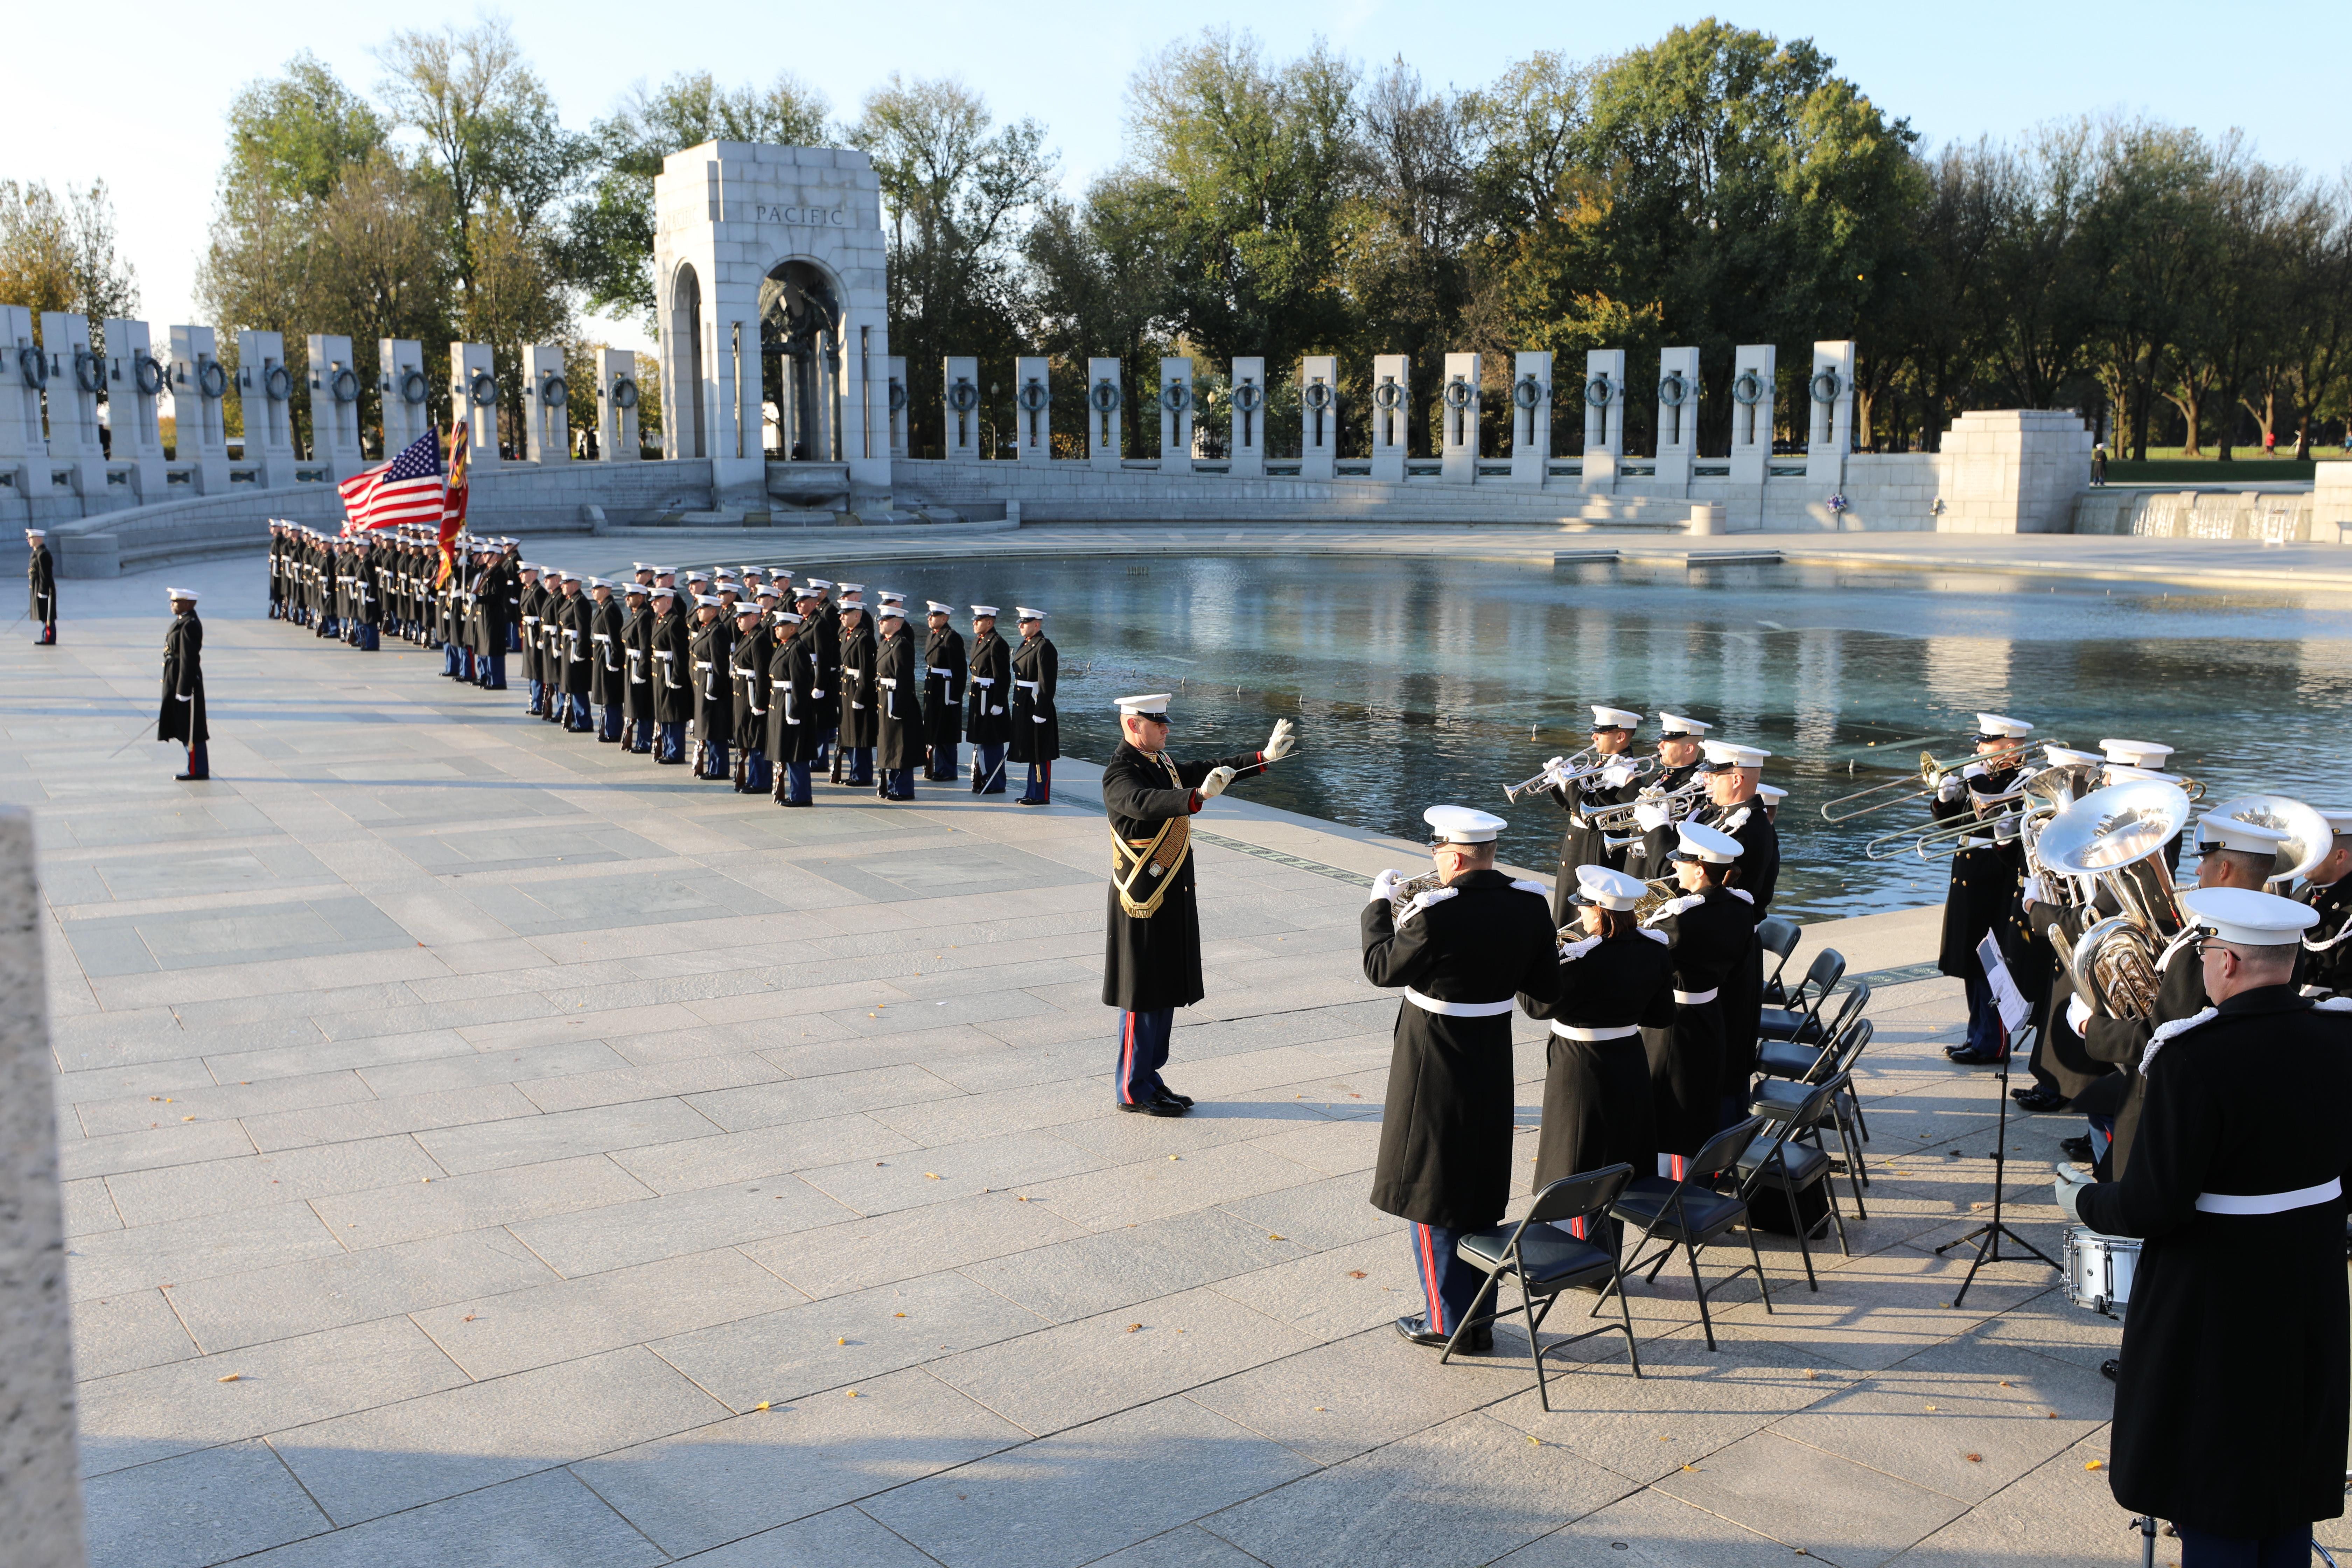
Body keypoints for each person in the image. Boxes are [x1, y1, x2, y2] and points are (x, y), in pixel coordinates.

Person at [2058, 886, 2352, 1568]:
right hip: (2308, 1283)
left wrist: (2087, 1200)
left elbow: (2153, 1204)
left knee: (2214, 1465)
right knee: (2287, 1458)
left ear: (2223, 962)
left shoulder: (2192, 1054)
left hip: (2214, 1292)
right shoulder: (2341, 1033)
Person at [1364, 804, 1560, 1353]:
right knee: (1477, 1181)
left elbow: (1381, 968)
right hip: (1492, 1055)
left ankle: (1448, 1320)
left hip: (1433, 1059)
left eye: (1437, 854)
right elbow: (1544, 995)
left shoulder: (1435, 911)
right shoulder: (1530, 904)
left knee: (1427, 1186)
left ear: (1452, 856)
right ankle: (1479, 1315)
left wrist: (1379, 906)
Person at [1101, 694, 1295, 1116]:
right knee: (1142, 995)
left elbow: (1208, 769)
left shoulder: (1160, 762)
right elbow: (1143, 803)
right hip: (1142, 901)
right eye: (1158, 724)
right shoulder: (1120, 771)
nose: (1167, 729)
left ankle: (1150, 1077)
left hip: (1169, 894)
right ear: (1134, 726)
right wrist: (1195, 797)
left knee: (1164, 988)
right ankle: (1132, 1089)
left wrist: (1262, 757)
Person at [1519, 865, 1673, 1222]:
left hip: (1581, 1066)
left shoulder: (1581, 959)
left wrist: (1534, 962)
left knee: (1575, 1159)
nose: (1579, 913)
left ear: (1600, 911)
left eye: (1584, 906)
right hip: (1630, 1060)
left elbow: (1535, 1006)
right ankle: (1605, 1256)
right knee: (1616, 1160)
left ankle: (1582, 1261)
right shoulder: (1655, 951)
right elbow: (1662, 1016)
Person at [1640, 821, 1756, 1177]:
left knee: (1671, 1112)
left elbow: (1644, 967)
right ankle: (1701, 1182)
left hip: (1675, 1029)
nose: (1674, 866)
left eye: (1681, 862)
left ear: (1701, 869)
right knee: (1699, 1104)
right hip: (1711, 1017)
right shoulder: (1741, 907)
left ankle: (1673, 1200)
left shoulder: (1680, 920)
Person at [1935, 715, 2033, 1066]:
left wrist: (1976, 781)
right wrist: (1946, 800)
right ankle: (1978, 1035)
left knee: (1991, 965)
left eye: (1987, 742)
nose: (1979, 748)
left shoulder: (2025, 780)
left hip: (1995, 884)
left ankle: (1993, 1042)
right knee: (1971, 963)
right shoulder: (1985, 779)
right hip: (1969, 880)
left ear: (2010, 747)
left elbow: (1996, 816)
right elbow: (1955, 824)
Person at [1694, 741, 1780, 1118]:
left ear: (1738, 778)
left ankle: (1722, 1149)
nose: (1706, 780)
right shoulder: (1734, 817)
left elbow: (1704, 887)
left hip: (1729, 951)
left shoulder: (1745, 828)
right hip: (1731, 944)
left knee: (1723, 1054)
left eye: (1714, 775)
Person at [1542, 706, 1645, 920]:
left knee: (1583, 923)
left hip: (1594, 854)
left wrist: (1569, 784)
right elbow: (1573, 808)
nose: (1594, 737)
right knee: (1564, 917)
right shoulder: (1602, 764)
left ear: (1620, 736)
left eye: (1601, 732)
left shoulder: (1624, 769)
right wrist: (1556, 784)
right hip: (1579, 849)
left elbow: (1590, 813)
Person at [1622, 713, 1711, 885]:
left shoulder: (1696, 787)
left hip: (1655, 873)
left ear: (1688, 749)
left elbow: (1681, 839)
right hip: (1635, 869)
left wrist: (1630, 784)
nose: (1659, 745)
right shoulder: (1659, 777)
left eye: (1668, 742)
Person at [2293, 810, 2352, 999]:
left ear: (2339, 857)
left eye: (2312, 850)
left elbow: (2347, 996)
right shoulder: (2304, 891)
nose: (2303, 855)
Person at [767, 607, 819, 806]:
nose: (776, 629)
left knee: (797, 754)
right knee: (788, 752)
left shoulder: (797, 649)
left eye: (780, 626)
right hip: (782, 704)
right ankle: (796, 793)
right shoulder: (785, 646)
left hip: (791, 708)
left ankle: (802, 796)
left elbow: (802, 683)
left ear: (792, 628)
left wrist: (795, 711)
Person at [873, 600, 922, 802]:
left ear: (896, 623)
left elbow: (905, 680)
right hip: (885, 696)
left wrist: (899, 708)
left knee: (900, 745)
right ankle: (892, 785)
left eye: (885, 620)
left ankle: (903, 788)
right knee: (889, 743)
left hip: (896, 699)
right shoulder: (886, 642)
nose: (880, 623)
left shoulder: (901, 645)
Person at [159, 588, 209, 781]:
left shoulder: (190, 625)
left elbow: (189, 660)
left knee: (192, 729)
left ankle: (197, 769)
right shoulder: (183, 621)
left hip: (186, 684)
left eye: (176, 601)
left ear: (188, 604)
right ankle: (195, 767)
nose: (172, 604)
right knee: (184, 726)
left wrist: (184, 690)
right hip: (177, 678)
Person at [1010, 608, 1058, 805]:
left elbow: (1048, 683)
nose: (1021, 626)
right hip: (1025, 705)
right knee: (1031, 749)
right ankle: (1031, 791)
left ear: (1037, 624)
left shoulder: (1044, 647)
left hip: (1037, 705)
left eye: (1025, 622)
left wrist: (1041, 711)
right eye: (1020, 622)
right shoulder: (1027, 644)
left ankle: (1040, 794)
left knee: (1041, 752)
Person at [965, 605, 1011, 794]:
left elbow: (1003, 677)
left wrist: (999, 703)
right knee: (982, 740)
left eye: (979, 620)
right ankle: (984, 777)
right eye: (975, 620)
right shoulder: (980, 641)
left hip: (990, 697)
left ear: (990, 622)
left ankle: (995, 781)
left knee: (991, 741)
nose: (975, 623)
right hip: (979, 694)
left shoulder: (997, 643)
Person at [728, 600, 774, 793]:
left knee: (757, 738)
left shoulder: (759, 639)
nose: (738, 621)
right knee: (747, 736)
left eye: (742, 618)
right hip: (743, 695)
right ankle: (753, 778)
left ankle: (761, 781)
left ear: (754, 618)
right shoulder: (748, 636)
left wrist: (760, 703)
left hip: (752, 696)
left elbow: (762, 674)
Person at [833, 591, 877, 788]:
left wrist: (860, 696)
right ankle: (855, 771)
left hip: (857, 689)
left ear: (857, 616)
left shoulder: (865, 638)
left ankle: (862, 774)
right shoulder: (848, 634)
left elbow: (867, 672)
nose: (841, 617)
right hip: (846, 687)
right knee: (849, 733)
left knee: (859, 734)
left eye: (846, 613)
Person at [922, 601, 967, 782]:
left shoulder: (951, 638)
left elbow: (960, 669)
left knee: (946, 730)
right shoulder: (933, 636)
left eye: (934, 616)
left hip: (946, 689)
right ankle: (937, 766)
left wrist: (956, 696)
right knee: (935, 729)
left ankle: (947, 769)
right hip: (934, 687)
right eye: (930, 616)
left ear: (945, 618)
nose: (930, 619)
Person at [689, 594, 734, 780]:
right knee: (708, 728)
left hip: (711, 685)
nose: (699, 612)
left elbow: (720, 666)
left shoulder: (717, 631)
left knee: (715, 728)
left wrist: (714, 690)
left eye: (702, 609)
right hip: (703, 683)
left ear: (713, 611)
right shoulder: (707, 628)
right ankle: (714, 766)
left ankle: (719, 769)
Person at [650, 587, 691, 763]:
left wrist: (677, 678)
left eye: (657, 600)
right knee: (663, 712)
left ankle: (675, 752)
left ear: (668, 601)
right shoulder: (660, 620)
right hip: (660, 672)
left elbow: (680, 654)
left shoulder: (675, 622)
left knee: (673, 713)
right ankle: (667, 749)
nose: (653, 603)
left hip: (669, 673)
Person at [619, 583, 656, 754]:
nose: (627, 599)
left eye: (631, 596)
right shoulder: (636, 615)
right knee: (635, 703)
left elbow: (646, 647)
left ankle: (645, 741)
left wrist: (642, 671)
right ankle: (641, 740)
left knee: (643, 704)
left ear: (641, 597)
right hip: (631, 663)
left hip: (638, 665)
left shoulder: (644, 617)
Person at [587, 579, 624, 741]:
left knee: (611, 696)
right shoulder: (604, 607)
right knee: (606, 696)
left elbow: (615, 639)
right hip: (603, 655)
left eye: (596, 589)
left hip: (609, 657)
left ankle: (614, 731)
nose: (593, 592)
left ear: (605, 590)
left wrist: (615, 661)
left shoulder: (610, 610)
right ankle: (609, 729)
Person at [27, 528, 56, 645]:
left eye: (30, 538)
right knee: (44, 615)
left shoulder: (43, 554)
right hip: (38, 590)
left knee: (47, 616)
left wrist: (43, 591)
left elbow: (45, 575)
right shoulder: (37, 552)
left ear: (38, 539)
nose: (28, 540)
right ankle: (45, 636)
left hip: (44, 591)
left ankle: (49, 639)